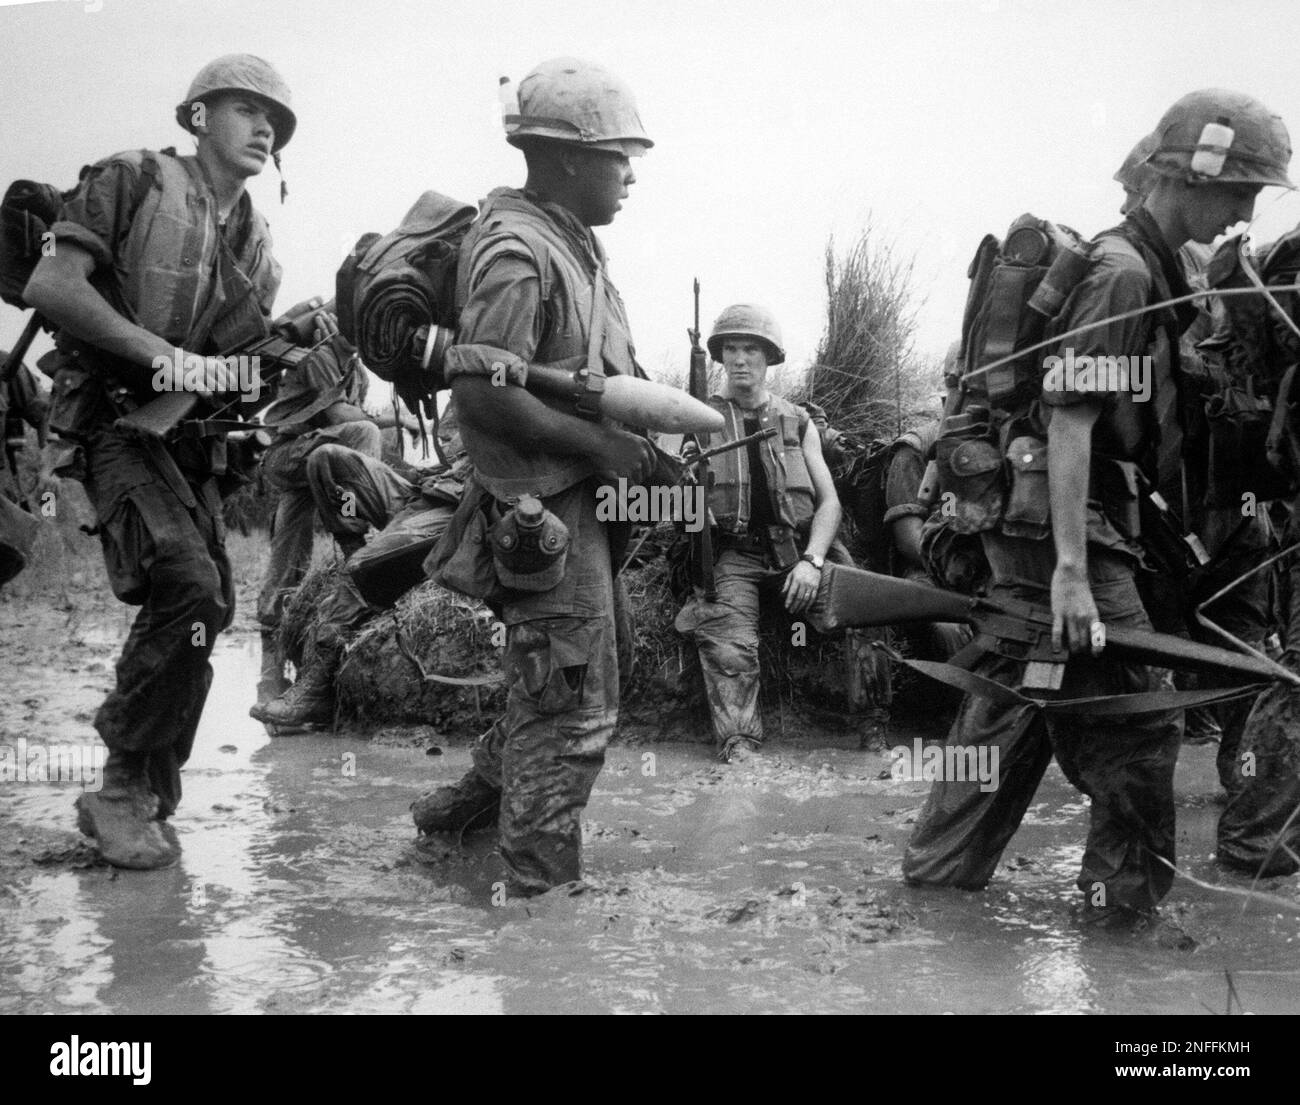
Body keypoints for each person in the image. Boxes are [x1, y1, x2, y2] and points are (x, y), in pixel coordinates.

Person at [902, 89, 1293, 928]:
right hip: (1065, 537)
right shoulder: (1122, 275)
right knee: (1139, 737)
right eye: (1242, 190)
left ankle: (936, 885)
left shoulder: (1149, 268)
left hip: (1031, 534)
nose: (1245, 211)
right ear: (1189, 177)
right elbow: (1069, 422)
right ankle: (1118, 929)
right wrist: (1077, 574)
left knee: (1014, 697)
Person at [23, 54, 295, 869]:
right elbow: (52, 285)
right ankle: (117, 789)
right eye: (245, 109)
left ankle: (149, 793)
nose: (263, 128)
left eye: (274, 121)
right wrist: (165, 356)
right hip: (111, 419)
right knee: (185, 579)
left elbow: (231, 361)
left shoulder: (253, 236)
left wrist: (278, 358)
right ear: (198, 116)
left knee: (212, 604)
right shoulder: (132, 179)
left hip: (186, 439)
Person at [410, 58, 658, 898]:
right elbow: (482, 393)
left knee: (568, 685)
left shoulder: (577, 249)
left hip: (572, 517)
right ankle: (538, 905)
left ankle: (475, 810)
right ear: (565, 159)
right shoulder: (519, 248)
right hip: (541, 517)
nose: (630, 174)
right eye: (619, 156)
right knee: (569, 714)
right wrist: (600, 448)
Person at [673, 303, 846, 762]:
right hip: (733, 558)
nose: (740, 359)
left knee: (860, 621)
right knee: (729, 646)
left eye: (751, 349)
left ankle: (872, 733)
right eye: (731, 348)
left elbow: (829, 503)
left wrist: (812, 561)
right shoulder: (695, 417)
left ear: (768, 358)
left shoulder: (799, 420)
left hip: (797, 555)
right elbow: (675, 506)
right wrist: (691, 501)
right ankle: (741, 750)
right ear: (720, 356)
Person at [251, 412, 469, 728]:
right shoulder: (467, 393)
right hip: (427, 487)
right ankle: (354, 543)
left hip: (457, 507)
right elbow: (447, 442)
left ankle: (315, 690)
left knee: (363, 569)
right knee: (326, 458)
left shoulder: (516, 396)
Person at [253, 325, 384, 701]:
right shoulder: (320, 358)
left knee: (289, 545)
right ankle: (362, 542)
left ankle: (272, 642)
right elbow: (341, 416)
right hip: (288, 454)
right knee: (364, 435)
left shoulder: (356, 372)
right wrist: (391, 421)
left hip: (314, 455)